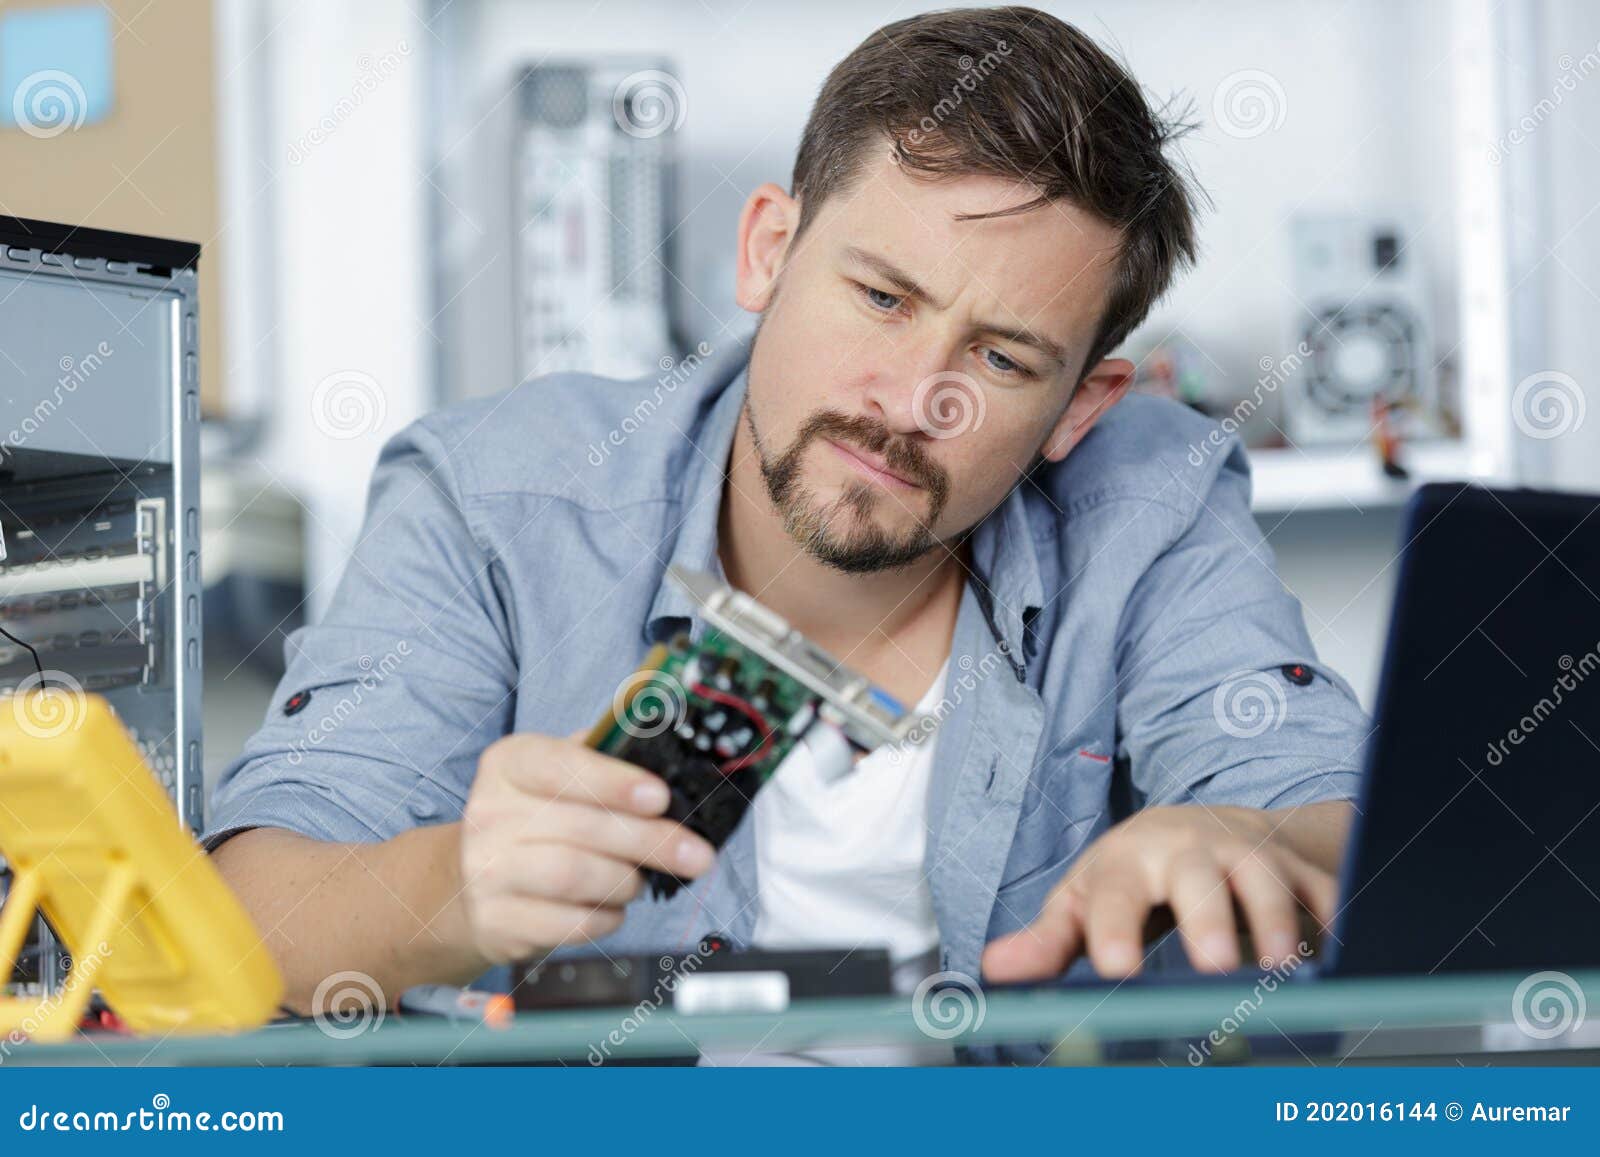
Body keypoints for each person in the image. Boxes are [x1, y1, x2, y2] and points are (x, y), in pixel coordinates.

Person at [208, 6, 1365, 1018]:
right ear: (768, 249)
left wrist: (1254, 838)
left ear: (1081, 405)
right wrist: (453, 884)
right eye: (879, 297)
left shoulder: (1142, 498)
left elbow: (1353, 820)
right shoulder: (503, 496)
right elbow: (252, 910)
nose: (912, 403)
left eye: (1006, 359)